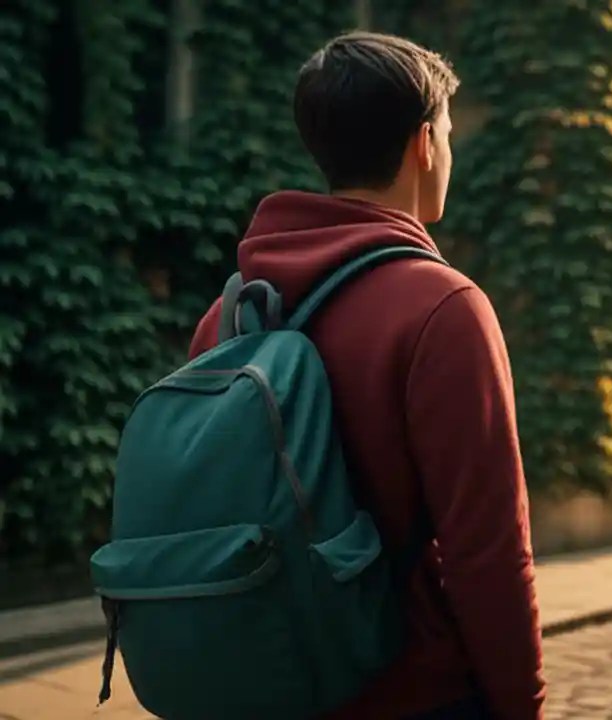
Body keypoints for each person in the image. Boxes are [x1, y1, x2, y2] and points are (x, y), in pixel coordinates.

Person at [185, 31, 546, 720]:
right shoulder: (443, 308)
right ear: (423, 145)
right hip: (415, 692)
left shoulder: (229, 313)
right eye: (445, 129)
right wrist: (522, 705)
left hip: (269, 687)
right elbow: (489, 554)